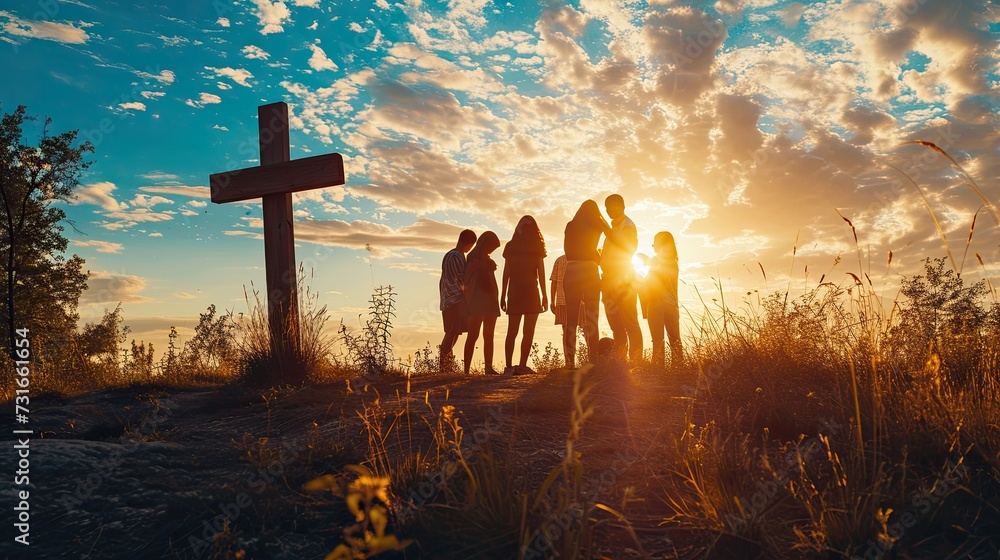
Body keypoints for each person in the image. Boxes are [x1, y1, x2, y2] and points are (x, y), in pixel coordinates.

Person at [563, 200, 611, 369]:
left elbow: (567, 250)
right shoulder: (598, 224)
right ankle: (594, 360)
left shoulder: (570, 225)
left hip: (571, 270)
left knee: (570, 319)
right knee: (592, 318)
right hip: (590, 270)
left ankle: (569, 362)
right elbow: (612, 236)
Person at [501, 216, 548, 375]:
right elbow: (541, 273)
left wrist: (503, 294)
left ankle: (510, 366)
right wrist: (544, 295)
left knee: (513, 331)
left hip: (516, 292)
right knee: (526, 332)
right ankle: (520, 365)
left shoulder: (511, 246)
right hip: (530, 292)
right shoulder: (537, 246)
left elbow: (506, 273)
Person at [601, 194, 643, 361]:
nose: (608, 211)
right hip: (608, 280)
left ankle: (636, 361)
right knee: (616, 324)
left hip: (623, 279)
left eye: (611, 206)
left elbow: (627, 248)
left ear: (622, 206)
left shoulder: (627, 226)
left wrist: (608, 233)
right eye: (606, 208)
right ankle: (620, 361)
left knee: (630, 322)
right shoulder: (613, 229)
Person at [463, 231, 502, 375]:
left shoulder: (488, 261)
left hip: (490, 299)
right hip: (476, 300)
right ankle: (466, 370)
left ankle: (488, 368)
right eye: (491, 247)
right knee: (473, 335)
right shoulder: (471, 258)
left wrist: (497, 298)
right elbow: (467, 279)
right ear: (485, 244)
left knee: (488, 335)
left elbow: (492, 282)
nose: (491, 251)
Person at [439, 229, 477, 372]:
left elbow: (442, 278)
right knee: (452, 330)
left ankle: (447, 363)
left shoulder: (449, 255)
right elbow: (461, 278)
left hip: (447, 297)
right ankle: (444, 363)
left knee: (454, 331)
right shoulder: (457, 256)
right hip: (455, 298)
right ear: (469, 244)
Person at [646, 232, 682, 368]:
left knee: (657, 340)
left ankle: (658, 370)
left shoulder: (656, 260)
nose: (653, 246)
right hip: (672, 305)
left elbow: (651, 282)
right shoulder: (674, 262)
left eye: (654, 243)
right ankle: (679, 369)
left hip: (656, 303)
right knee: (675, 341)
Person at [549, 254, 572, 367]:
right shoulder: (560, 260)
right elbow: (554, 282)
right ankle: (570, 361)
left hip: (564, 301)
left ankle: (569, 362)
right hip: (568, 301)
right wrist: (552, 301)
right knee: (584, 329)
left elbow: (554, 282)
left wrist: (552, 301)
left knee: (567, 331)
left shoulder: (560, 260)